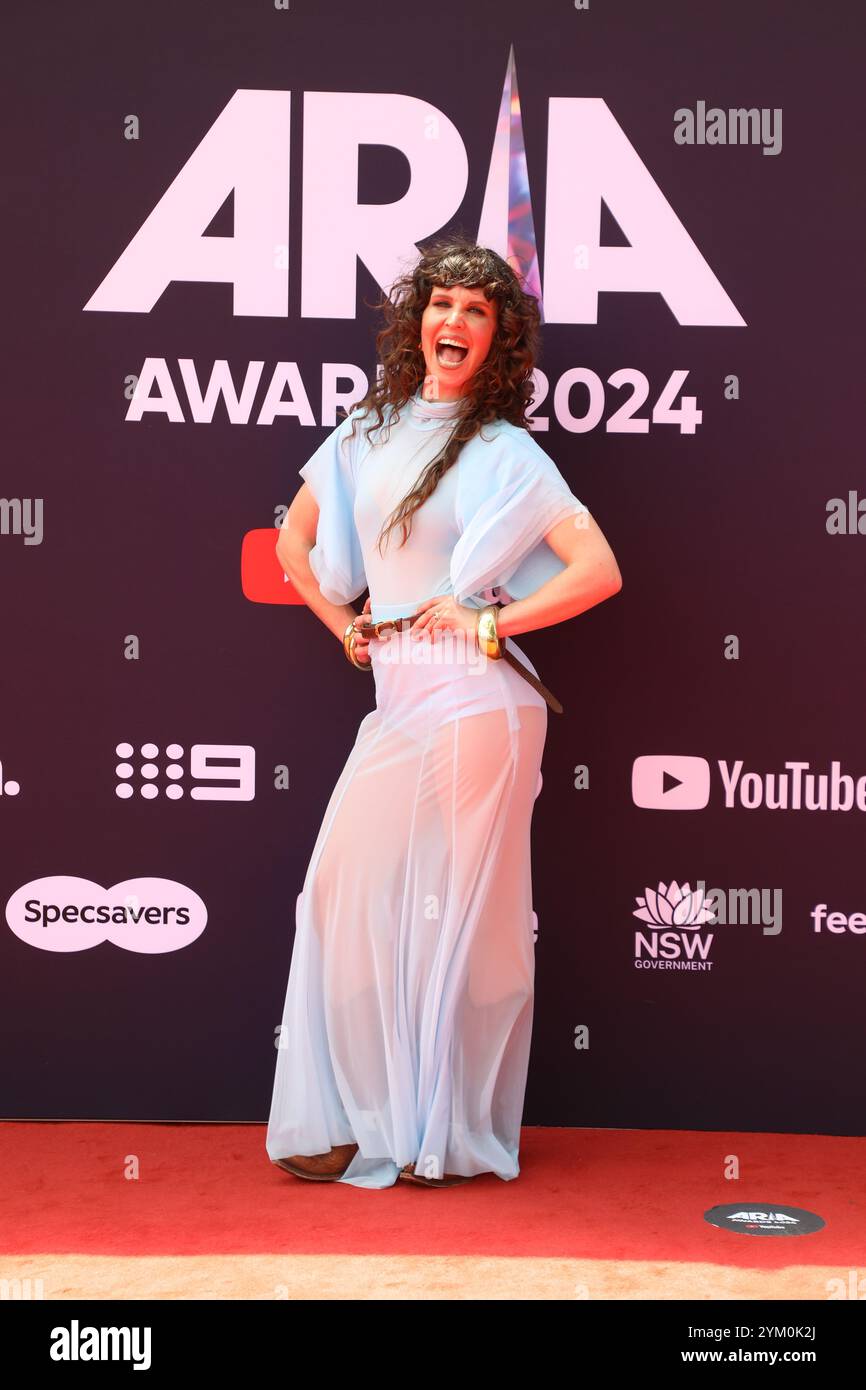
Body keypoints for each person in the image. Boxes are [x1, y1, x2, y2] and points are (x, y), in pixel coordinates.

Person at [266, 236, 622, 1190]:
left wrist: (491, 620)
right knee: (340, 893)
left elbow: (599, 573)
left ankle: (445, 1138)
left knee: (459, 922)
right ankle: (359, 1121)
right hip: (397, 704)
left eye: (476, 310)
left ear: (497, 339)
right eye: (441, 304)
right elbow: (291, 541)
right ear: (416, 322)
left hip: (481, 707)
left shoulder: (510, 451)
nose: (453, 321)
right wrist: (346, 627)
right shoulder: (363, 433)